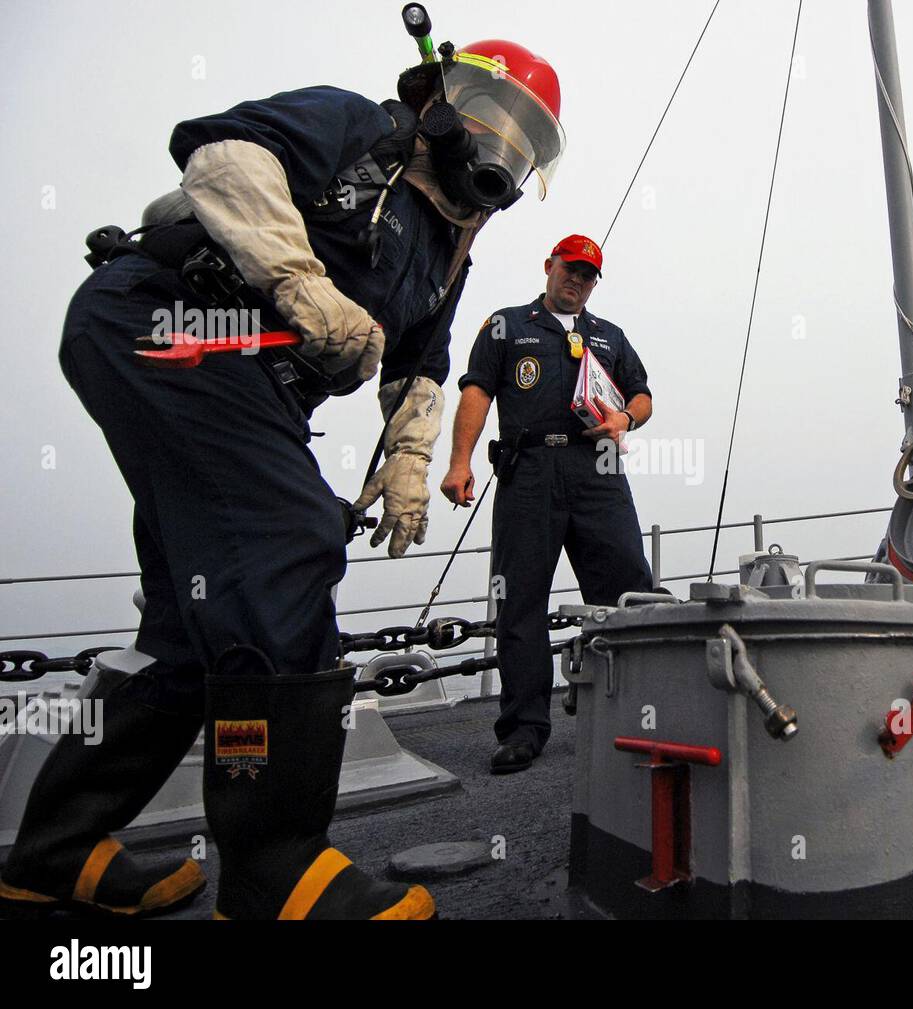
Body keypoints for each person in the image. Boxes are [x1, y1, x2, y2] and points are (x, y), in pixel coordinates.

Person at [0, 40, 565, 920]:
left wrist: (410, 461)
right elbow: (223, 158)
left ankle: (54, 850)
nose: (500, 147)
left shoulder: (445, 255)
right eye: (490, 116)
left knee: (195, 619)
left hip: (231, 373)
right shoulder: (358, 129)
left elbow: (419, 366)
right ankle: (274, 865)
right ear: (443, 98)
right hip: (171, 321)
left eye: (524, 140)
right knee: (291, 539)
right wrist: (301, 286)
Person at [441, 235, 654, 774]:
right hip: (528, 471)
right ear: (549, 267)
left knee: (629, 592)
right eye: (570, 270)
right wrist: (459, 462)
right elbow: (477, 392)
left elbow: (642, 396)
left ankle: (637, 713)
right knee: (520, 599)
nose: (577, 281)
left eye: (588, 275)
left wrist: (624, 419)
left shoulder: (610, 336)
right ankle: (523, 729)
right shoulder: (506, 325)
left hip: (597, 472)